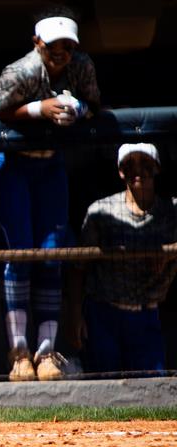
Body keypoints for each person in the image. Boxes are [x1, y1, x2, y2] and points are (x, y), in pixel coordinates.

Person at [0, 9, 101, 381]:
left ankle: (46, 352)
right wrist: (38, 109)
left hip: (48, 164)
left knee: (51, 254)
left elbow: (97, 105)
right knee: (20, 252)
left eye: (67, 46)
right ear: (37, 43)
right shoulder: (22, 70)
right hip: (8, 163)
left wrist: (79, 109)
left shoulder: (82, 66)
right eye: (52, 46)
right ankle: (19, 353)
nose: (60, 52)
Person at [78, 144, 175, 376]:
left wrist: (170, 251)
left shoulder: (171, 212)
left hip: (147, 312)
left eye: (145, 163)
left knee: (152, 385)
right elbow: (78, 265)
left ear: (157, 167)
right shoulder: (101, 211)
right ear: (121, 171)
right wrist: (74, 314)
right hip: (104, 312)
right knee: (104, 383)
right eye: (130, 164)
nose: (138, 170)